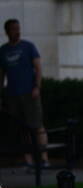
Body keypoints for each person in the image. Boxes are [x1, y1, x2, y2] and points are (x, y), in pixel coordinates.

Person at [0, 19, 49, 169]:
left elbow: (38, 67)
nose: (17, 31)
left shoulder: (28, 47)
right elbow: (1, 75)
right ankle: (29, 162)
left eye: (18, 28)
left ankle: (44, 158)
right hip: (13, 95)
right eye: (14, 29)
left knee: (37, 125)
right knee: (22, 129)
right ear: (7, 32)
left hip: (30, 93)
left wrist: (37, 87)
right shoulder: (3, 50)